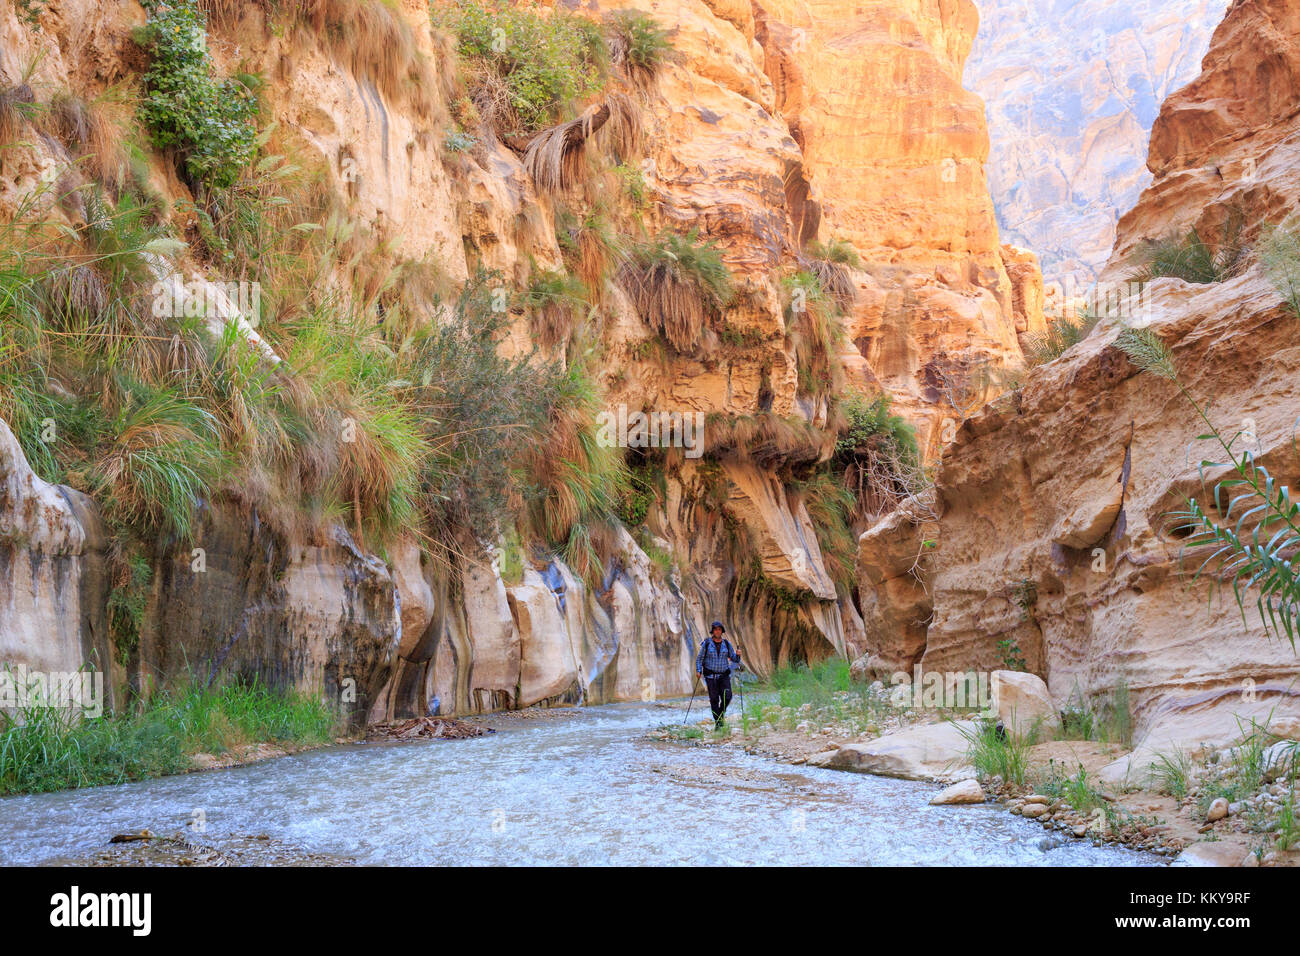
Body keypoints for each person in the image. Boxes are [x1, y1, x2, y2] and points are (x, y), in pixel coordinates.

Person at [696, 621, 741, 728]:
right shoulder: (706, 644)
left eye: (719, 629)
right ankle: (718, 723)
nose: (717, 631)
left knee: (728, 696)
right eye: (715, 629)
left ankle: (719, 716)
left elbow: (734, 659)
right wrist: (698, 670)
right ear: (713, 631)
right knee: (714, 699)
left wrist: (738, 655)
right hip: (710, 677)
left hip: (724, 676)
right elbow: (699, 659)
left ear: (722, 631)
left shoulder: (726, 644)